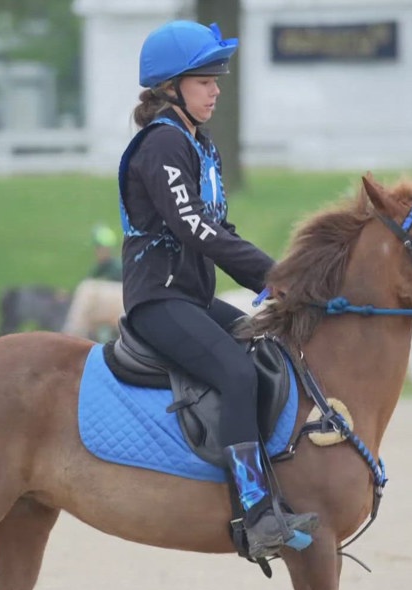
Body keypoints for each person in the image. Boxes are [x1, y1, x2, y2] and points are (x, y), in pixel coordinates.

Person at [116, 19, 317, 558]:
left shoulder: (200, 146)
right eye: (204, 81)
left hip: (193, 299)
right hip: (158, 302)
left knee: (270, 349)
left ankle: (276, 488)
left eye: (216, 80)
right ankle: (255, 513)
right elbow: (193, 229)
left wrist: (275, 283)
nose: (215, 90)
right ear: (170, 87)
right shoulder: (162, 144)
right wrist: (274, 275)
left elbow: (220, 228)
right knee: (235, 371)